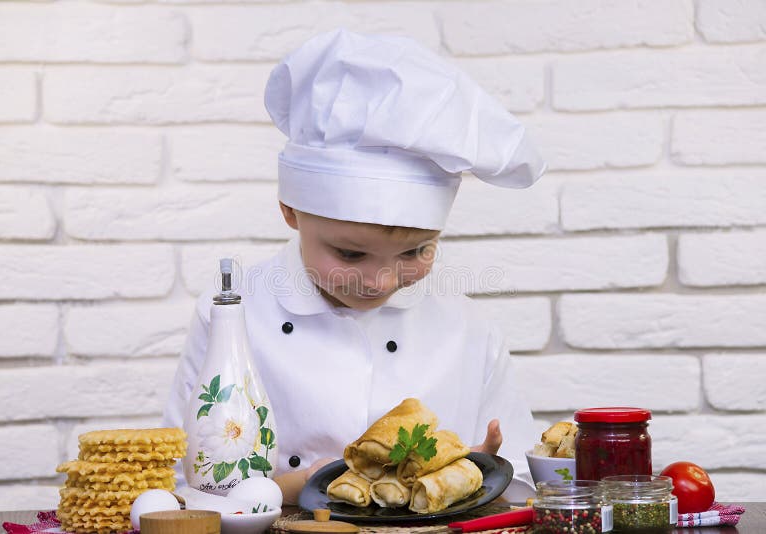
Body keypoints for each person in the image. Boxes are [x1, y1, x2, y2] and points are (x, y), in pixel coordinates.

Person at [163, 28, 546, 504]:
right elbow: (180, 494)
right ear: (290, 209)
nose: (380, 281)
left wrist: (471, 475)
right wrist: (301, 486)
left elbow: (528, 488)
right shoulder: (231, 317)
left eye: (414, 252)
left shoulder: (469, 328)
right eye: (349, 254)